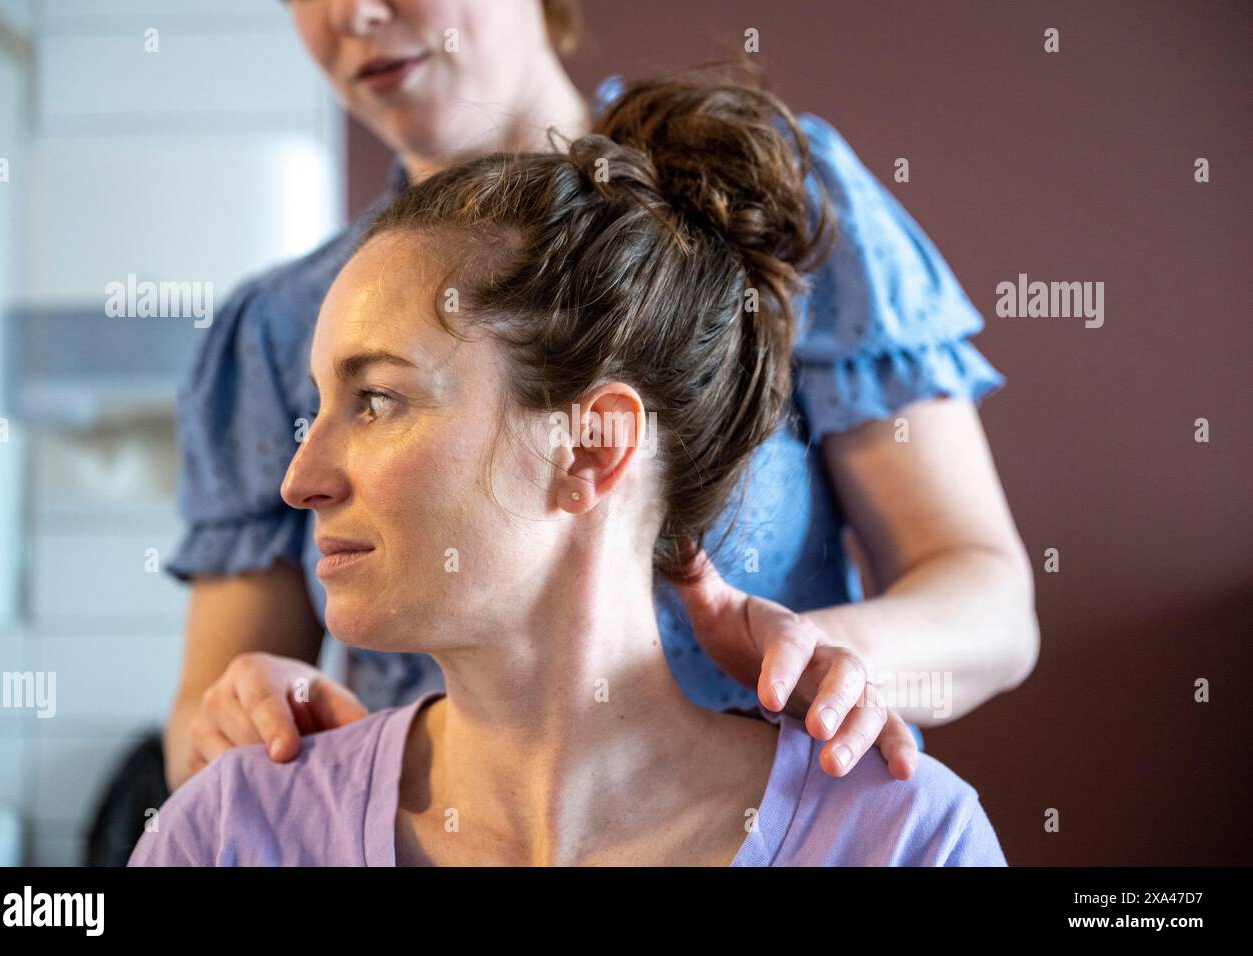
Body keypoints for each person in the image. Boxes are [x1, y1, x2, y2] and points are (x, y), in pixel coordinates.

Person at [132, 62, 1007, 865]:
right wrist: (246, 748)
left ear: (592, 446)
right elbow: (209, 735)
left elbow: (988, 597)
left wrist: (818, 661)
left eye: (378, 402)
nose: (302, 481)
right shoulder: (234, 832)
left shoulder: (904, 841)